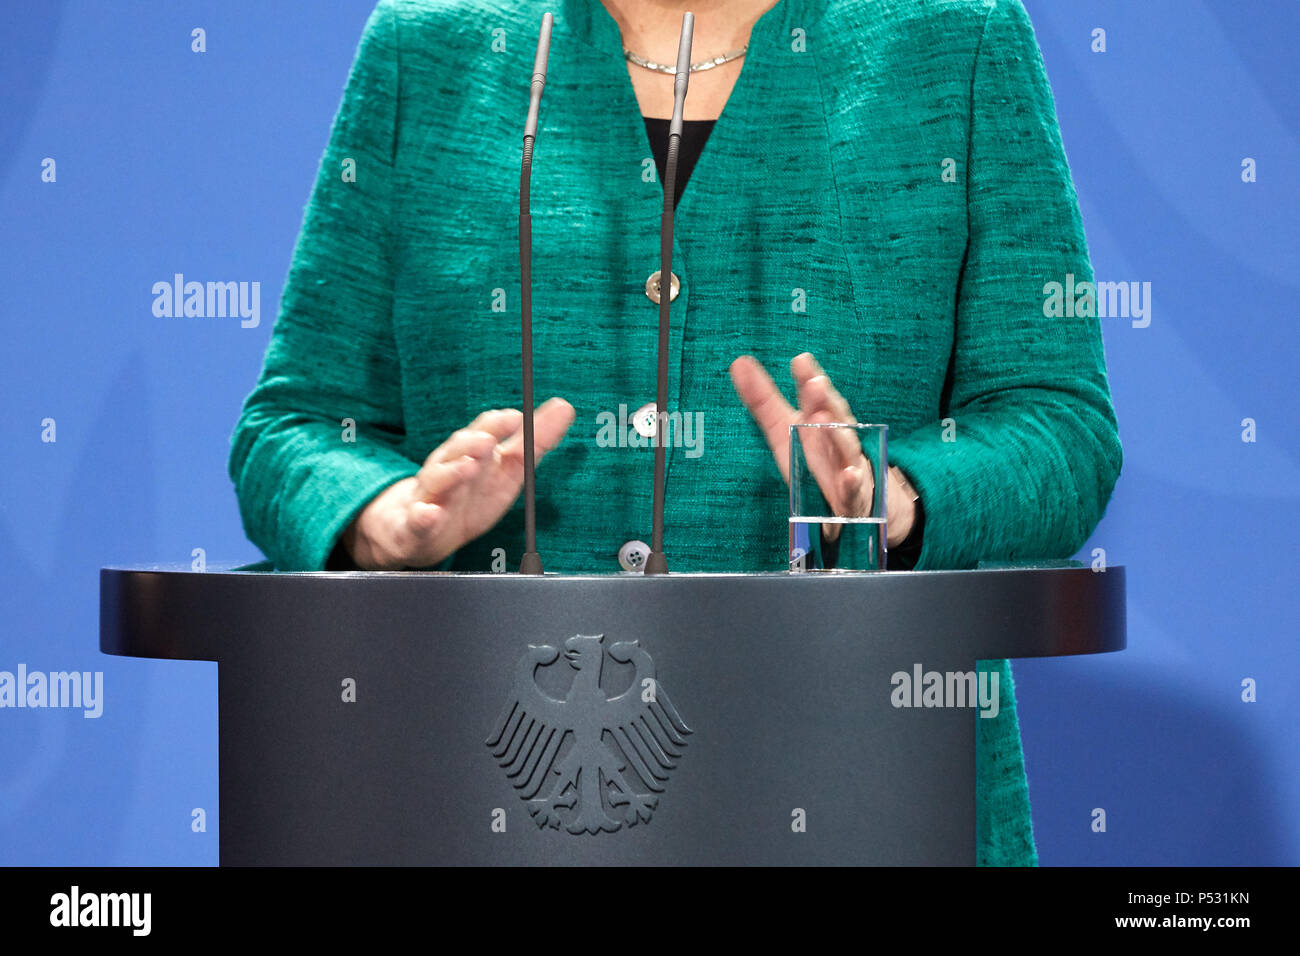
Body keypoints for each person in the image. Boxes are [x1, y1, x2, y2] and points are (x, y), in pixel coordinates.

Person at [229, 0, 1123, 865]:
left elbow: (1061, 423)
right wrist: (387, 518)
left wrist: (898, 498)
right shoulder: (426, 45)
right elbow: (295, 425)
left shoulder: (954, 34)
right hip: (473, 798)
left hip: (864, 785)